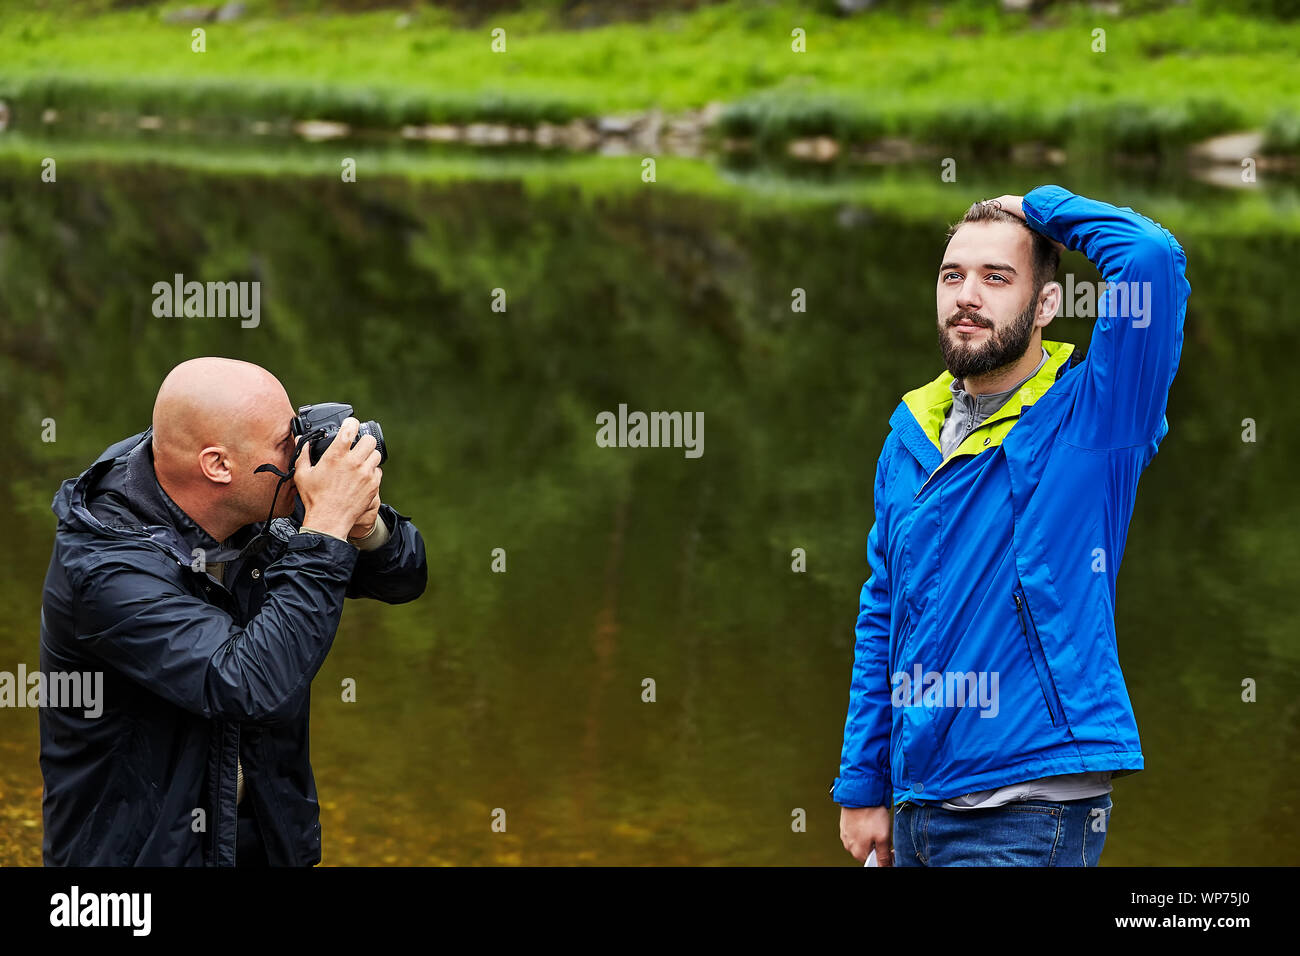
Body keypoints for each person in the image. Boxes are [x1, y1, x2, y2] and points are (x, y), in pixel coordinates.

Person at [834, 186, 1190, 866]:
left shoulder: (1095, 416)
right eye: (952, 275)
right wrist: (864, 783)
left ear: (1047, 305)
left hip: (1029, 809)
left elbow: (1149, 257)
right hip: (920, 804)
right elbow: (883, 614)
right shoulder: (911, 435)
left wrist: (1040, 206)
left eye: (997, 278)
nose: (968, 294)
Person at [38, 357, 427, 866]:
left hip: (263, 843)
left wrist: (364, 526)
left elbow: (403, 578)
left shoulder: (259, 499)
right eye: (287, 443)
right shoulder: (106, 570)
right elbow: (246, 684)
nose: (304, 454)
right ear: (217, 465)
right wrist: (327, 524)